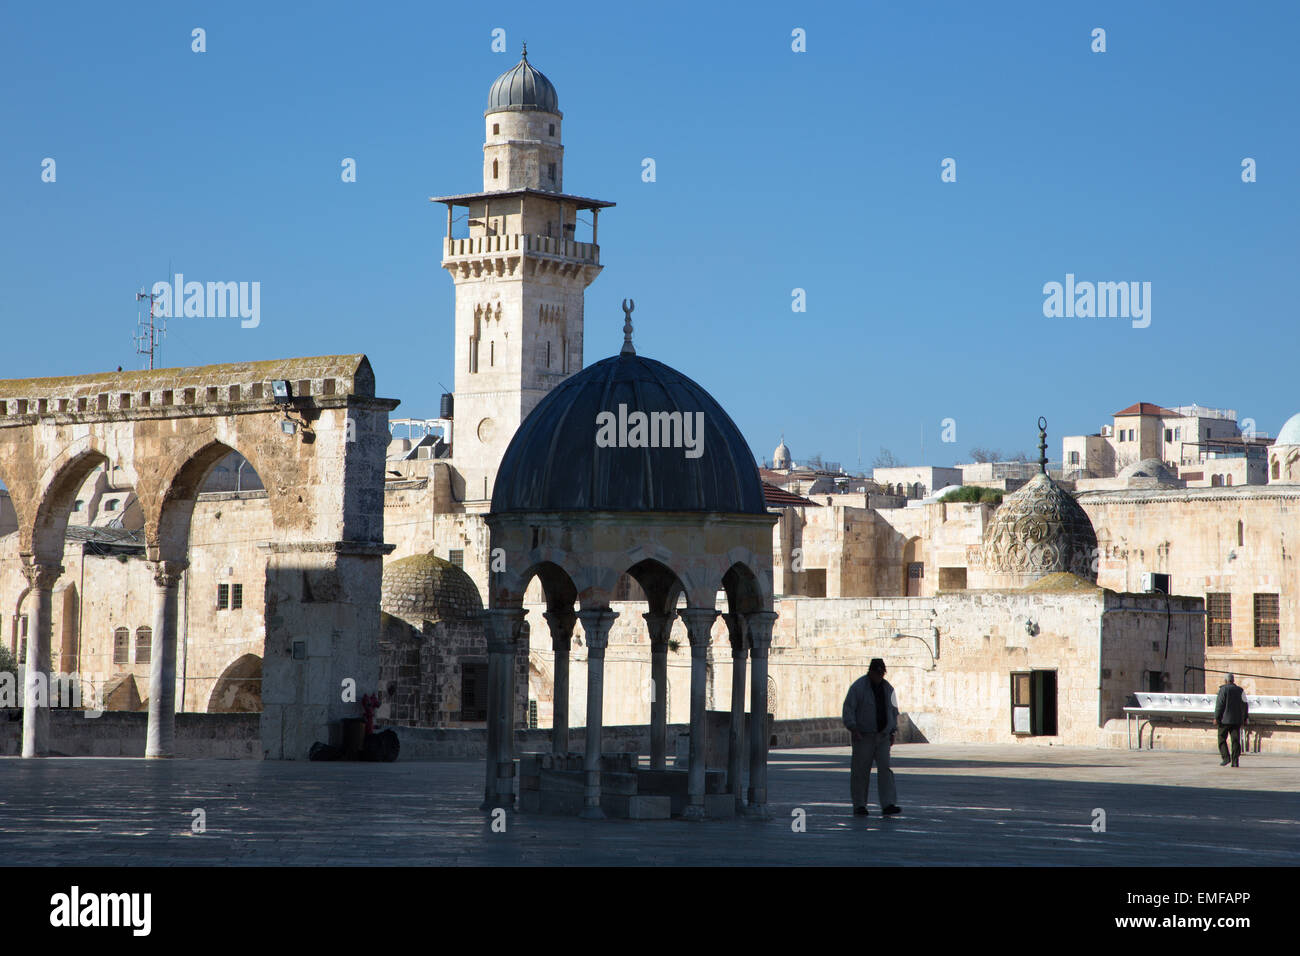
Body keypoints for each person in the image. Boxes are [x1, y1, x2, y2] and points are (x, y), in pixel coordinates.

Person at [842, 658, 901, 816]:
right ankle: (859, 805)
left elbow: (894, 710)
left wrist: (893, 730)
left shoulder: (888, 688)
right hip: (864, 736)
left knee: (885, 770)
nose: (880, 676)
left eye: (882, 673)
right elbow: (849, 708)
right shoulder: (858, 687)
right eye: (877, 673)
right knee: (860, 771)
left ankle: (888, 803)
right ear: (871, 672)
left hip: (882, 736)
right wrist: (853, 728)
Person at [1214, 673, 1249, 767]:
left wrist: (1216, 718)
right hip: (1237, 720)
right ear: (1233, 680)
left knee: (1221, 739)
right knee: (1235, 740)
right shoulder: (1240, 690)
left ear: (1225, 680)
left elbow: (1219, 705)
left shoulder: (1223, 690)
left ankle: (1226, 758)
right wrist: (1245, 718)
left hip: (1224, 720)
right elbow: (1245, 705)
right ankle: (1235, 761)